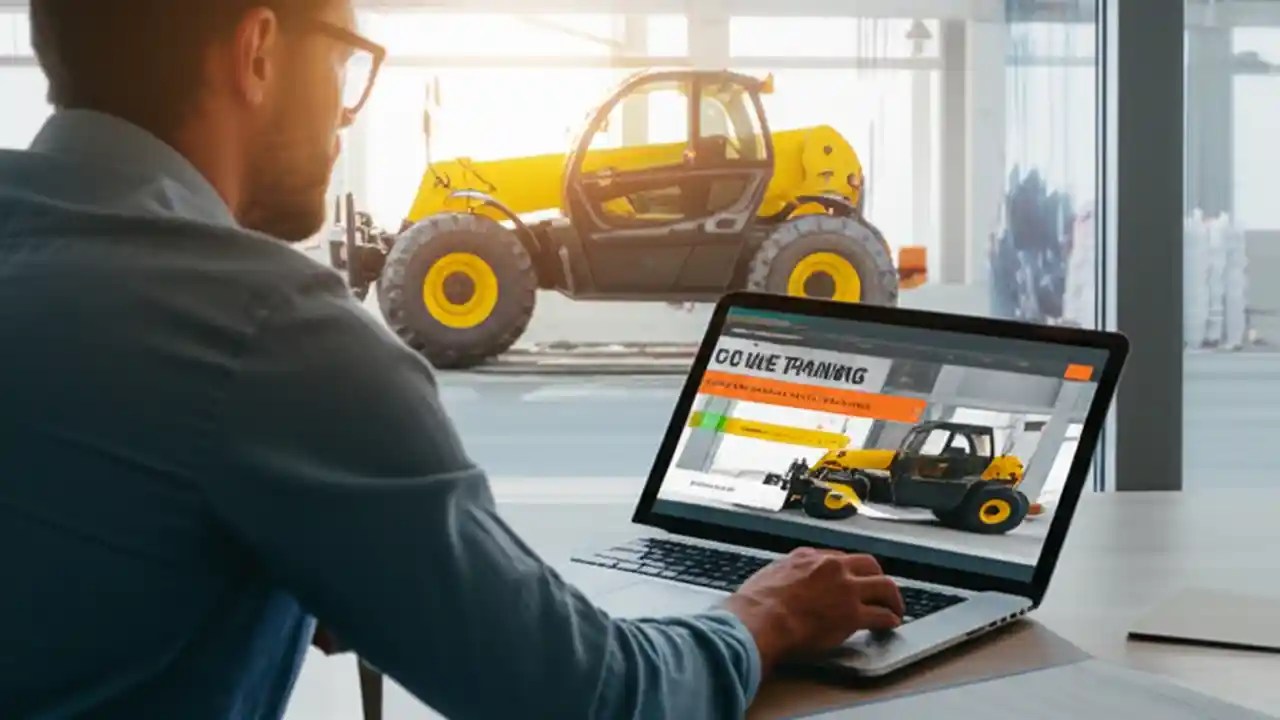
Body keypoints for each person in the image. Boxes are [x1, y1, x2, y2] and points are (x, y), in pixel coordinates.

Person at [0, 1, 904, 717]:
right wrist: (765, 616)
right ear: (261, 52)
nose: (346, 110)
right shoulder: (267, 327)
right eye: (345, 62)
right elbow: (590, 699)